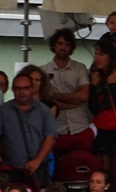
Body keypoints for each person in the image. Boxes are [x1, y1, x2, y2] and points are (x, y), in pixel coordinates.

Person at [43, 28, 93, 157]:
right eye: (60, 43)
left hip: (80, 127)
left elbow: (84, 96)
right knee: (57, 166)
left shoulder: (80, 68)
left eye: (67, 44)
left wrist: (56, 97)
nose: (63, 47)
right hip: (56, 129)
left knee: (81, 164)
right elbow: (45, 102)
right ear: (54, 45)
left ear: (71, 47)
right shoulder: (43, 71)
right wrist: (73, 100)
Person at [0, 73, 56, 186]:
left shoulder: (44, 110)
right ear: (13, 89)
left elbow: (51, 137)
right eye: (18, 88)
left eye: (25, 88)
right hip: (11, 170)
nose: (22, 91)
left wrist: (37, 161)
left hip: (39, 169)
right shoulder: (2, 111)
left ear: (32, 89)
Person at [87, 38, 116, 187]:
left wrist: (113, 85)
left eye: (101, 54)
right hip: (101, 128)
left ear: (110, 57)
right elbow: (93, 108)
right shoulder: (96, 75)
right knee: (103, 176)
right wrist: (93, 86)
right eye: (96, 53)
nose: (97, 57)